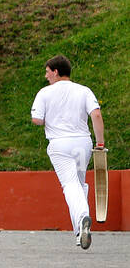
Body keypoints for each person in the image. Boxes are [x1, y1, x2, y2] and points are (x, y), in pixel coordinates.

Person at [30, 55, 105, 250]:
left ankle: (82, 218)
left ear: (55, 71)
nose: (46, 76)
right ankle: (80, 232)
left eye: (47, 72)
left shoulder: (45, 93)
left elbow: (37, 119)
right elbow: (96, 115)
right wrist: (100, 142)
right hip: (83, 143)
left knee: (70, 184)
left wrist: (51, 119)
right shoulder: (84, 91)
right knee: (79, 184)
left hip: (60, 145)